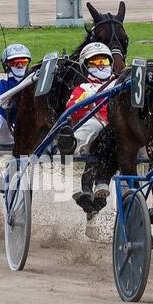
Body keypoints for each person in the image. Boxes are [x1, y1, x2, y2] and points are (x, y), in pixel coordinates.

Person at [64, 42, 115, 210]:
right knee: (92, 126)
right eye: (95, 62)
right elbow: (71, 110)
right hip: (94, 123)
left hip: (115, 126)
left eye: (104, 61)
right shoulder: (83, 88)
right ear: (86, 66)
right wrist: (85, 99)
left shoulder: (119, 83)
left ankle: (94, 188)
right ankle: (72, 145)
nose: (101, 66)